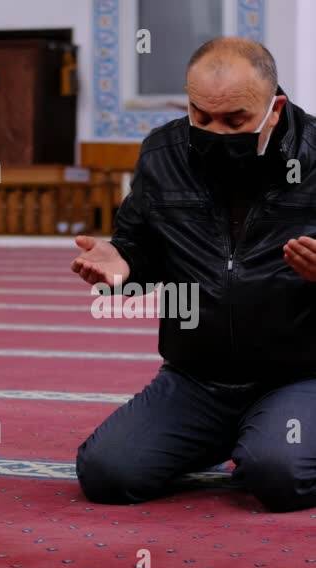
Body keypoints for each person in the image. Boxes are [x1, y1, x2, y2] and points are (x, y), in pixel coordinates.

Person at [71, 37, 316, 513]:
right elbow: (139, 248)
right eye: (201, 117)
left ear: (275, 106)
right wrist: (121, 265)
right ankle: (245, 433)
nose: (216, 132)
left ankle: (270, 436)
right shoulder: (163, 155)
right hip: (198, 380)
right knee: (107, 473)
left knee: (277, 475)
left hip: (299, 375)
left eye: (235, 120)